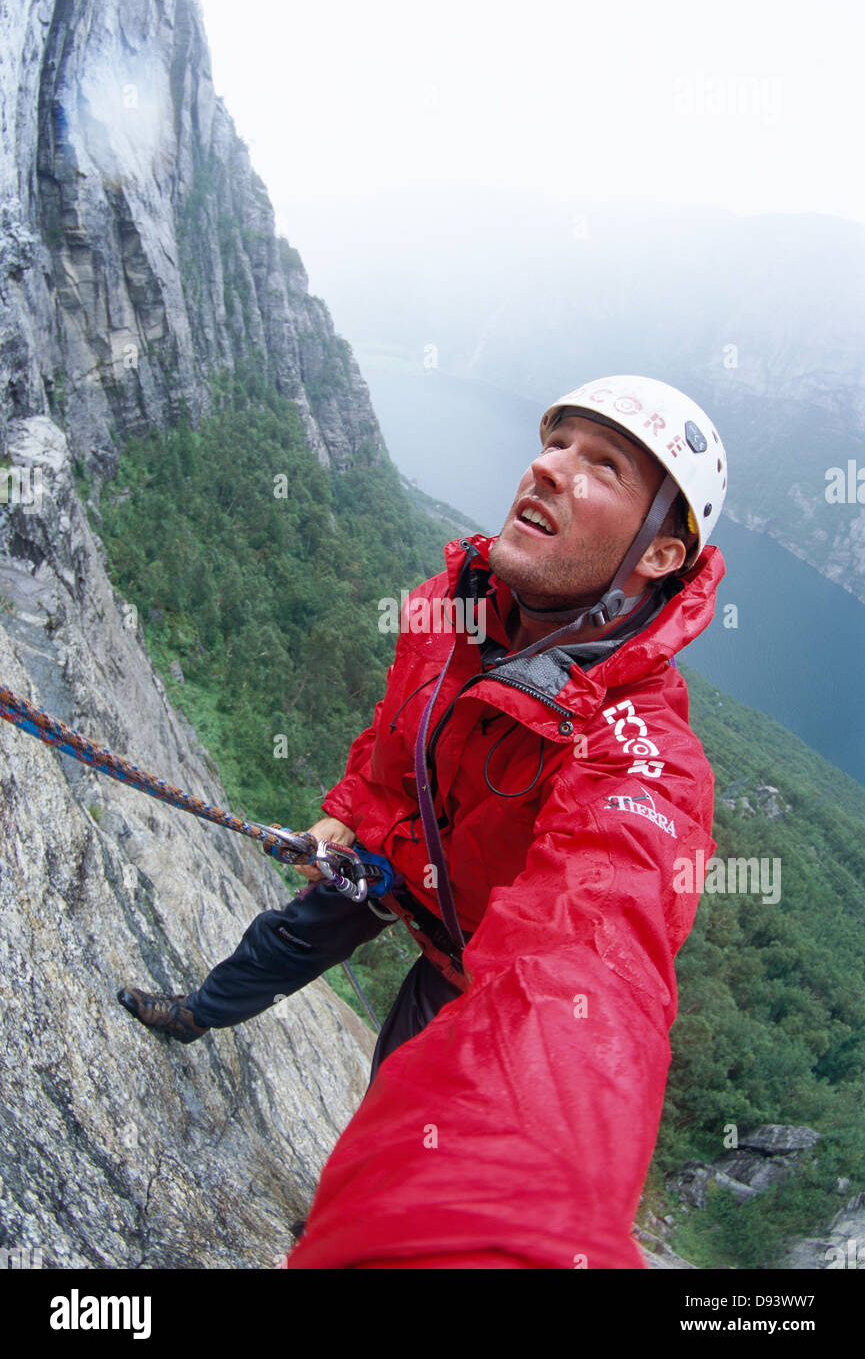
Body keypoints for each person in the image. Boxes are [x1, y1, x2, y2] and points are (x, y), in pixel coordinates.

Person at [119, 373, 727, 1269]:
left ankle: (350, 1219)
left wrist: (476, 1239)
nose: (548, 467)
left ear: (659, 556)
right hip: (393, 858)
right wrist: (346, 809)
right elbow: (401, 721)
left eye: (601, 465)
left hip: (469, 956)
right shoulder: (457, 602)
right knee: (284, 941)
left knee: (413, 1103)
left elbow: (586, 978)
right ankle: (198, 1013)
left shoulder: (641, 762)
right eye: (555, 442)